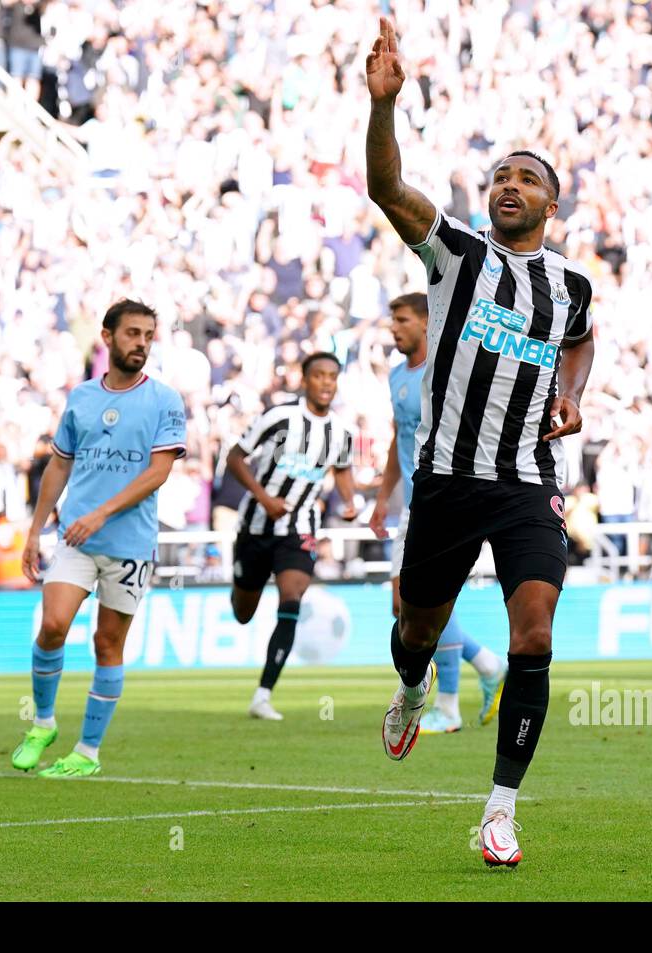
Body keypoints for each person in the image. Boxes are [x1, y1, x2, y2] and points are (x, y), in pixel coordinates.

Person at [365, 18, 595, 868]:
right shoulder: (458, 255)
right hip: (449, 479)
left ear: (551, 203)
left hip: (530, 480)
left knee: (533, 632)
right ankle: (414, 685)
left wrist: (571, 395)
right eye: (499, 175)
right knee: (414, 628)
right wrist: (383, 108)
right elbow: (387, 187)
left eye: (526, 179)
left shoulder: (571, 283)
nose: (508, 185)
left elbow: (580, 339)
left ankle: (499, 811)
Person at [12, 300, 186, 778]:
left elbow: (159, 472)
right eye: (132, 334)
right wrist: (34, 530)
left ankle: (86, 752)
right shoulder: (83, 398)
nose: (142, 344)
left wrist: (102, 513)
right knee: (52, 626)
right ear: (107, 337)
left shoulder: (165, 400)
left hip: (129, 543)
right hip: (76, 538)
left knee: (107, 645)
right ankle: (42, 723)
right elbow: (60, 464)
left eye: (148, 336)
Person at [369, 292, 506, 735]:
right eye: (393, 319)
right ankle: (487, 665)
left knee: (421, 607)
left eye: (403, 319)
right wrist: (381, 497)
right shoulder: (395, 377)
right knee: (406, 608)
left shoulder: (444, 371)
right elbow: (399, 438)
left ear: (428, 323)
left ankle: (447, 705)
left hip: (440, 499)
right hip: (410, 502)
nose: (394, 327)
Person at [225, 352, 358, 721]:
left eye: (333, 376)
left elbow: (343, 469)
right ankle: (239, 590)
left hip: (299, 528)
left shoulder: (342, 432)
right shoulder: (278, 417)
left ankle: (263, 694)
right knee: (243, 613)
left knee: (292, 596)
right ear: (305, 379)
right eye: (319, 375)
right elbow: (235, 458)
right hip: (255, 525)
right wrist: (265, 498)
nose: (327, 382)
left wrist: (349, 501)